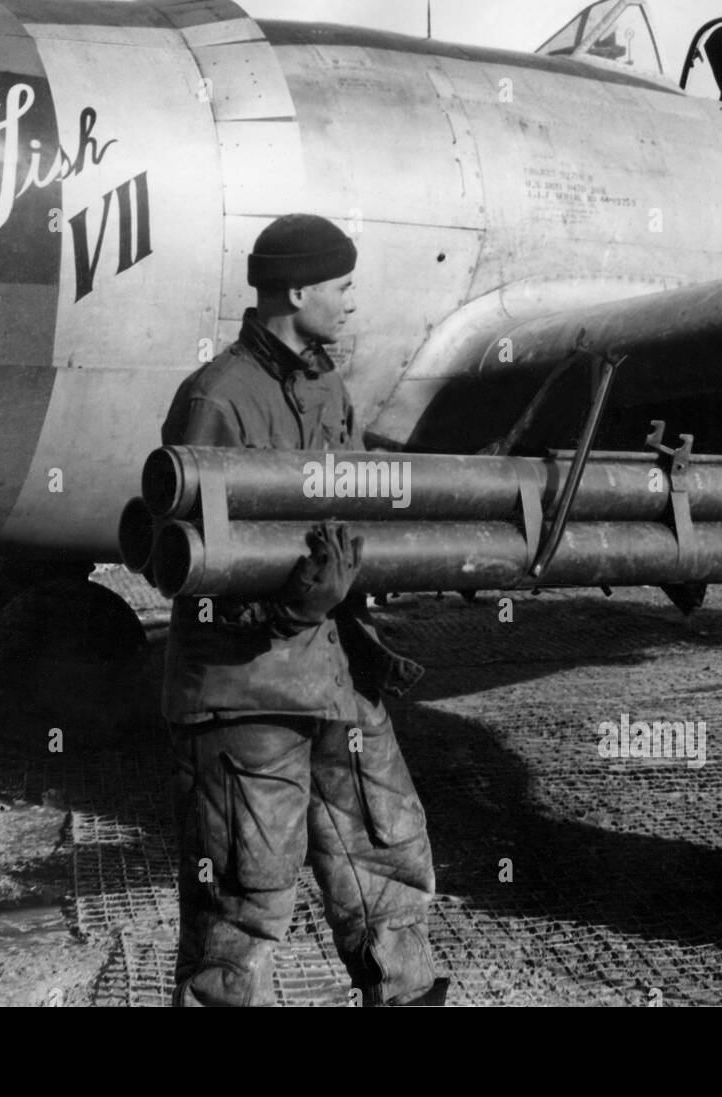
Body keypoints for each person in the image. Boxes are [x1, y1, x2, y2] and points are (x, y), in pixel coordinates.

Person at [159, 213, 446, 1007]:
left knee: (386, 869)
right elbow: (185, 571)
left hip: (331, 675)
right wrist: (287, 611)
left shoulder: (328, 387)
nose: (352, 301)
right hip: (241, 694)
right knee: (240, 914)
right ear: (298, 289)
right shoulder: (216, 399)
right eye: (342, 284)